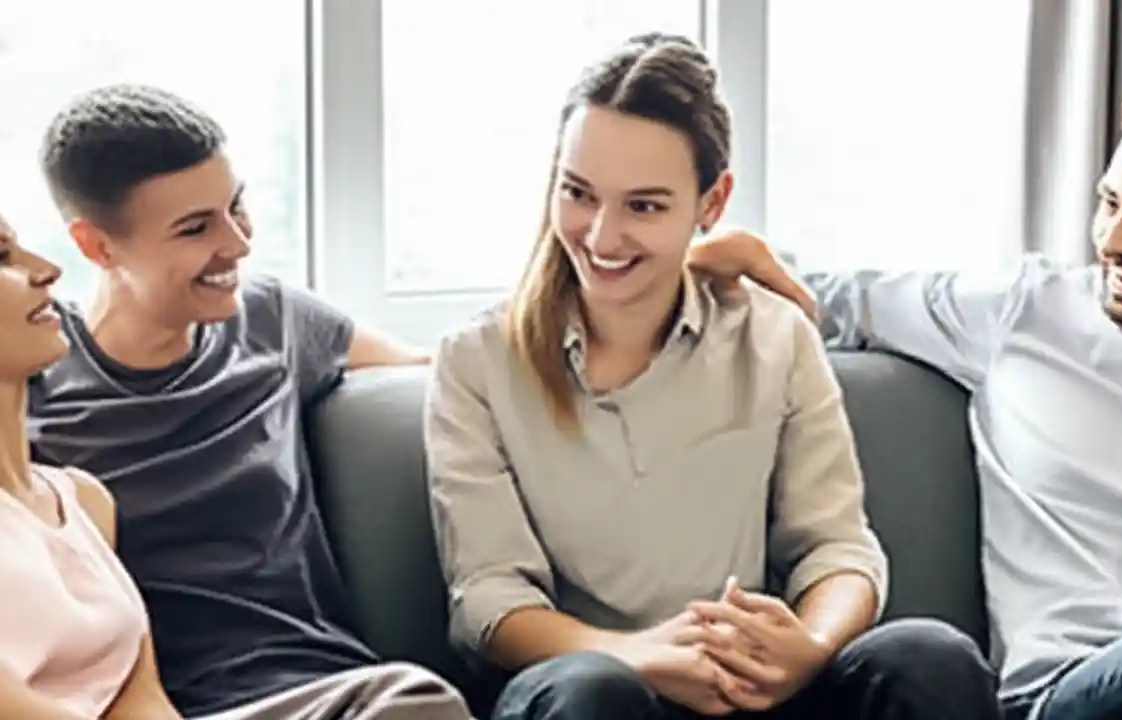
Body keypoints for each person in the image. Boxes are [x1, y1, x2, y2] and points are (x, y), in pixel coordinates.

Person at [425, 33, 1000, 720]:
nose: (601, 237)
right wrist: (637, 654)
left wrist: (808, 646)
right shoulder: (476, 363)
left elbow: (836, 545)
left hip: (753, 686)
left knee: (930, 658)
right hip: (590, 686)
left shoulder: (773, 335)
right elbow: (490, 599)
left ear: (711, 202)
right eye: (578, 193)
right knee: (593, 695)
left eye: (644, 206)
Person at [690, 65, 1122, 720]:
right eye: (1110, 203)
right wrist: (722, 255)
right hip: (1057, 698)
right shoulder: (1024, 315)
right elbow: (827, 302)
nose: (1114, 240)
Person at [25, 85, 472, 719]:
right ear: (97, 246)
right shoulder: (34, 379)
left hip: (329, 689)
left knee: (411, 700)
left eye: (236, 206)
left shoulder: (271, 320)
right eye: (195, 227)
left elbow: (452, 377)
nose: (236, 243)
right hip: (160, 708)